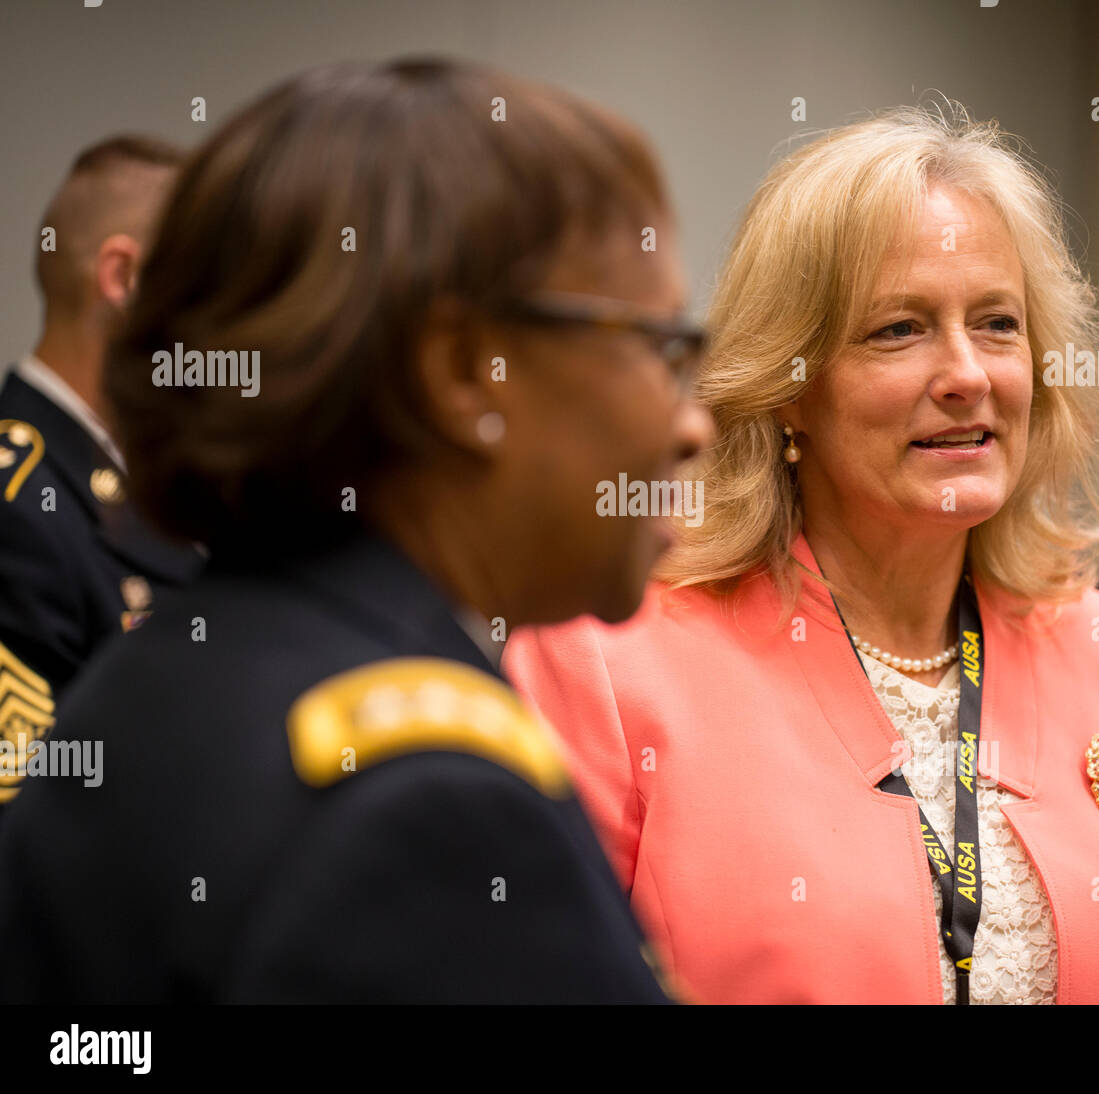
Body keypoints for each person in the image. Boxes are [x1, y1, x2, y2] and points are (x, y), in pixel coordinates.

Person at [0, 57, 711, 1002]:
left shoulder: (165, 674)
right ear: (466, 373)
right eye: (659, 346)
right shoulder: (429, 808)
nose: (692, 424)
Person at [505, 105, 1099, 1004]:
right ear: (789, 391)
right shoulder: (607, 664)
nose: (967, 373)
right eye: (899, 329)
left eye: (997, 323)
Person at [0, 136, 203, 806]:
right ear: (124, 281)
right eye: (218, 284)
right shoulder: (18, 510)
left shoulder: (153, 483)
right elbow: (28, 825)